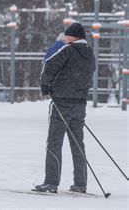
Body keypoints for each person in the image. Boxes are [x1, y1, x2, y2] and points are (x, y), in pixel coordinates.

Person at [35, 23, 96, 193]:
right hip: (80, 104)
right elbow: (90, 73)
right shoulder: (90, 53)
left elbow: (49, 66)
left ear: (74, 36)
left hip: (61, 102)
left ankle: (51, 183)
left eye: (67, 36)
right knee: (78, 144)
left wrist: (45, 86)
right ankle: (80, 183)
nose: (65, 39)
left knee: (54, 142)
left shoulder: (67, 50)